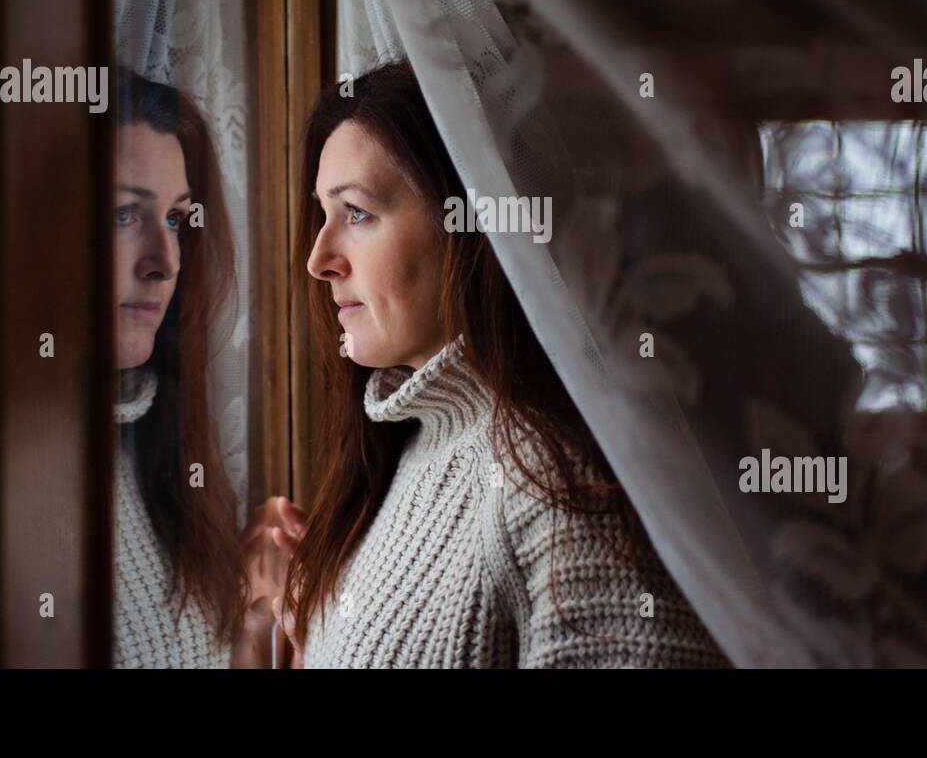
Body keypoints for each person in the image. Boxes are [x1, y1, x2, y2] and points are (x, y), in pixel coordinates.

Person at [271, 59, 731, 668]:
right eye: (322, 215)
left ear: (470, 223)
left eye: (356, 213)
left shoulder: (554, 479)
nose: (318, 258)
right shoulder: (401, 457)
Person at [111, 68, 294, 668]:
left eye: (174, 219)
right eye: (124, 215)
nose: (164, 262)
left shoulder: (159, 450)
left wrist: (252, 618)